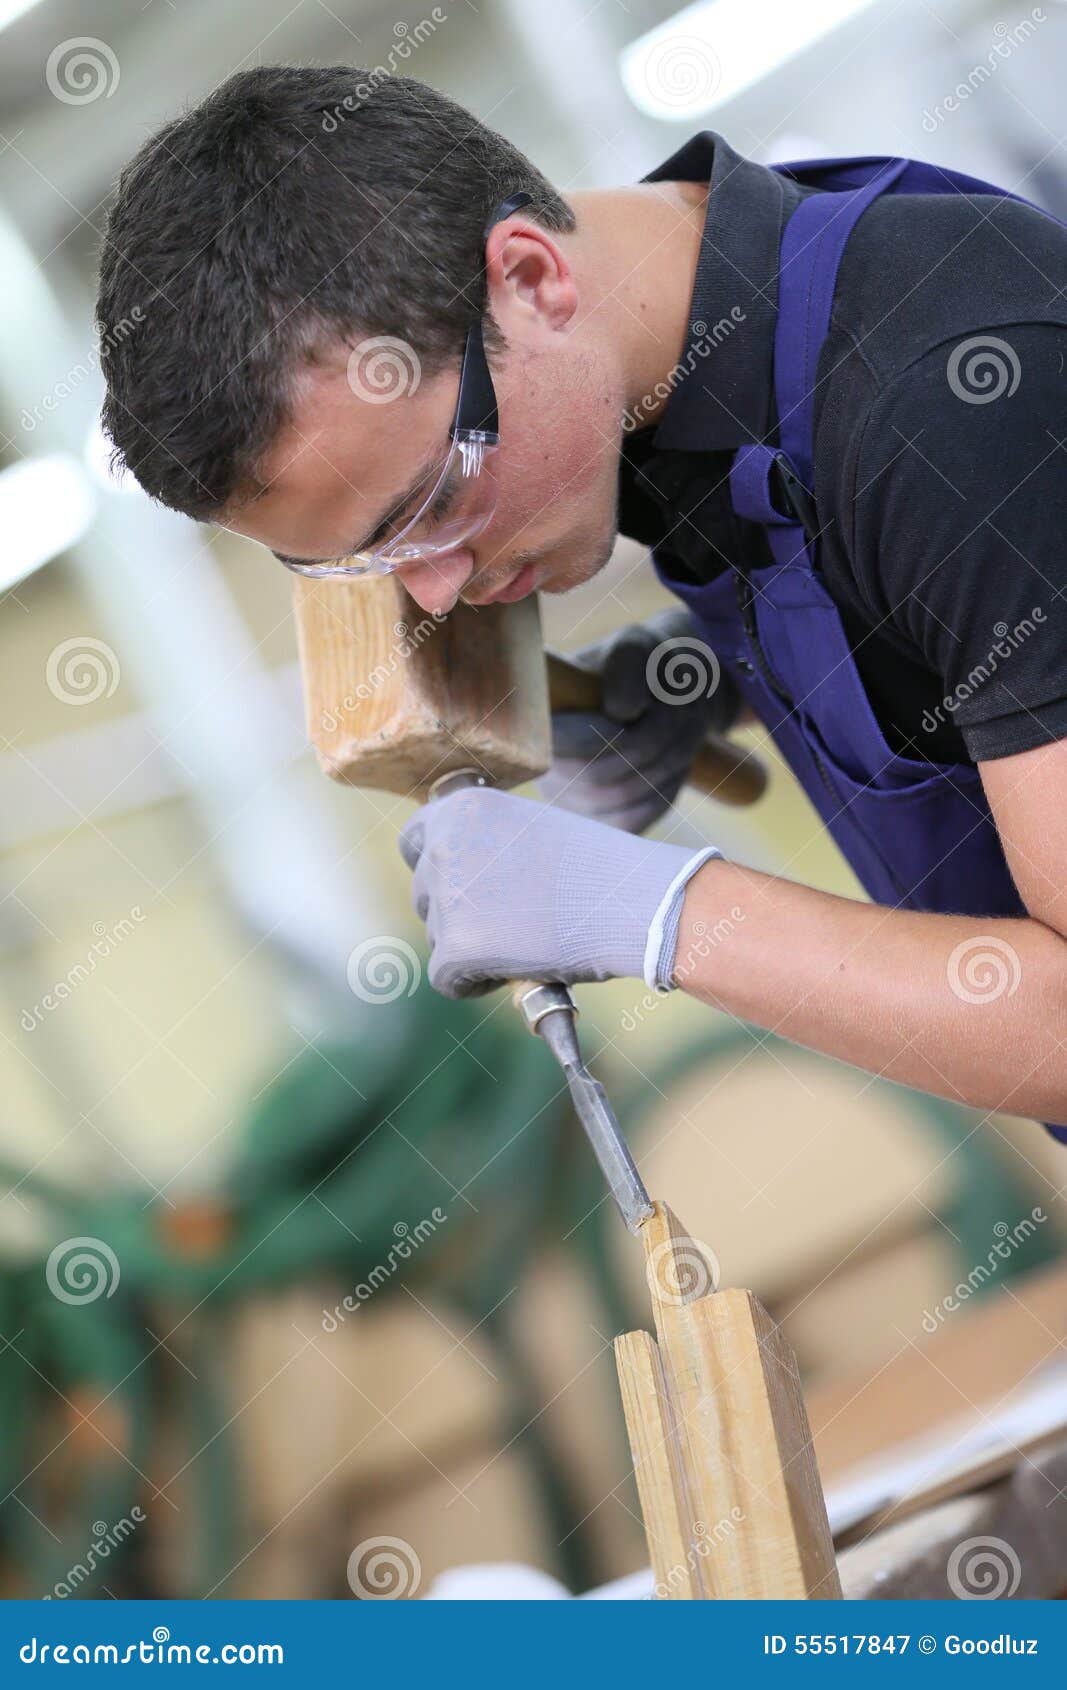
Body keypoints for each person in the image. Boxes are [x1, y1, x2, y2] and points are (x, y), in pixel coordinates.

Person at [96, 66, 1067, 1136]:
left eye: (428, 502)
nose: (436, 585)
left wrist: (659, 911)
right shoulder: (648, 386)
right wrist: (704, 676)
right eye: (351, 561)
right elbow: (924, 595)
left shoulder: (951, 395)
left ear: (530, 276)